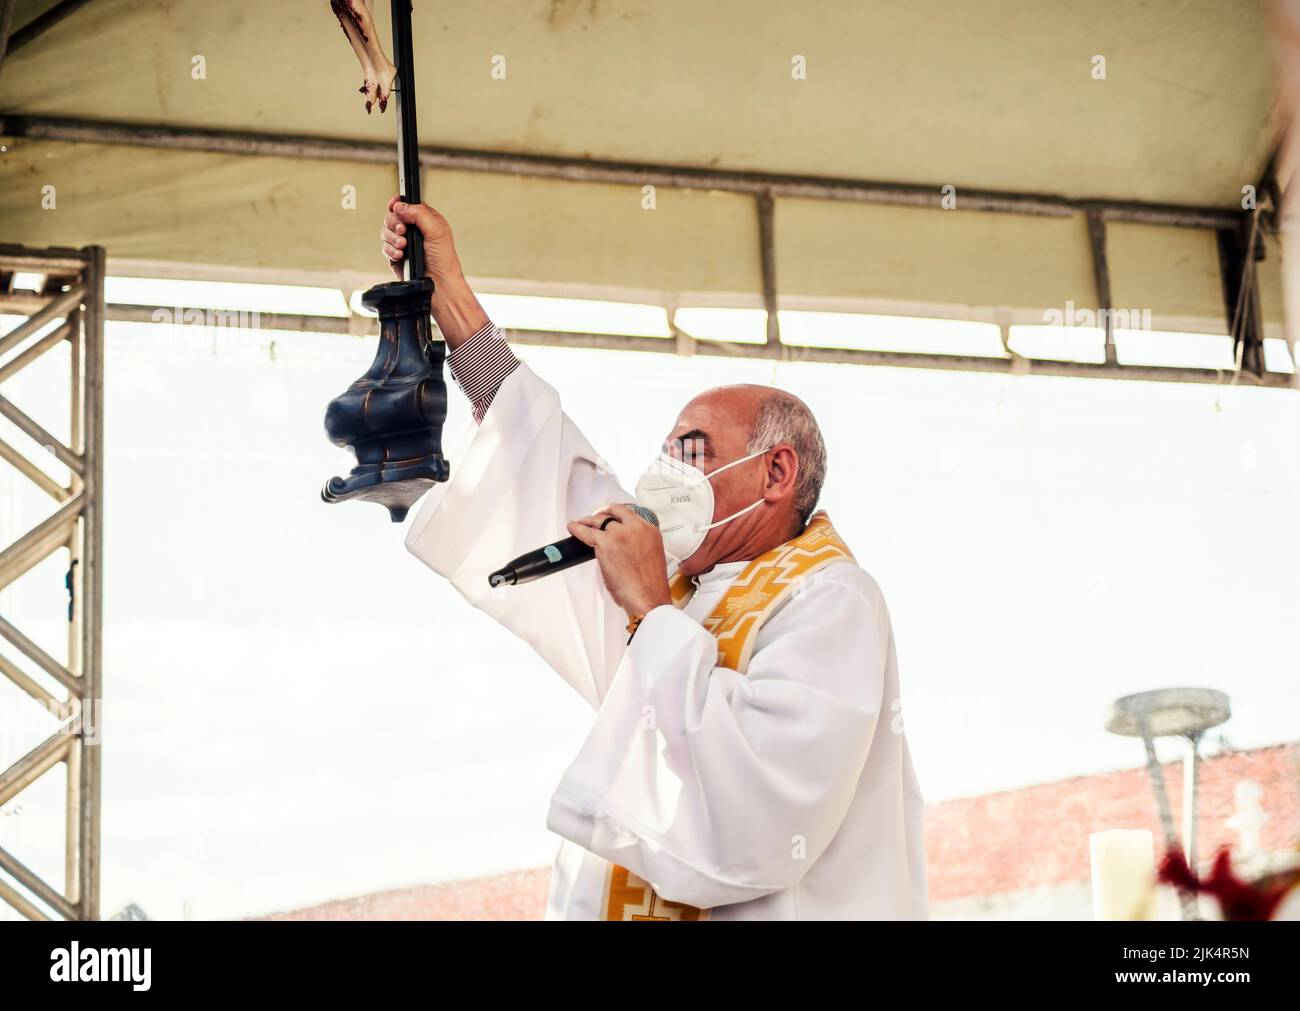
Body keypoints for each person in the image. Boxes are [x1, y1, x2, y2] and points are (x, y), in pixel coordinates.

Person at [381, 196, 928, 920]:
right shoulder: (677, 590)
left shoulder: (832, 600)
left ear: (776, 472)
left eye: (692, 451)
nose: (666, 472)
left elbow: (763, 803)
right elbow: (547, 461)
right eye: (666, 451)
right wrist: (444, 288)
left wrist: (650, 612)